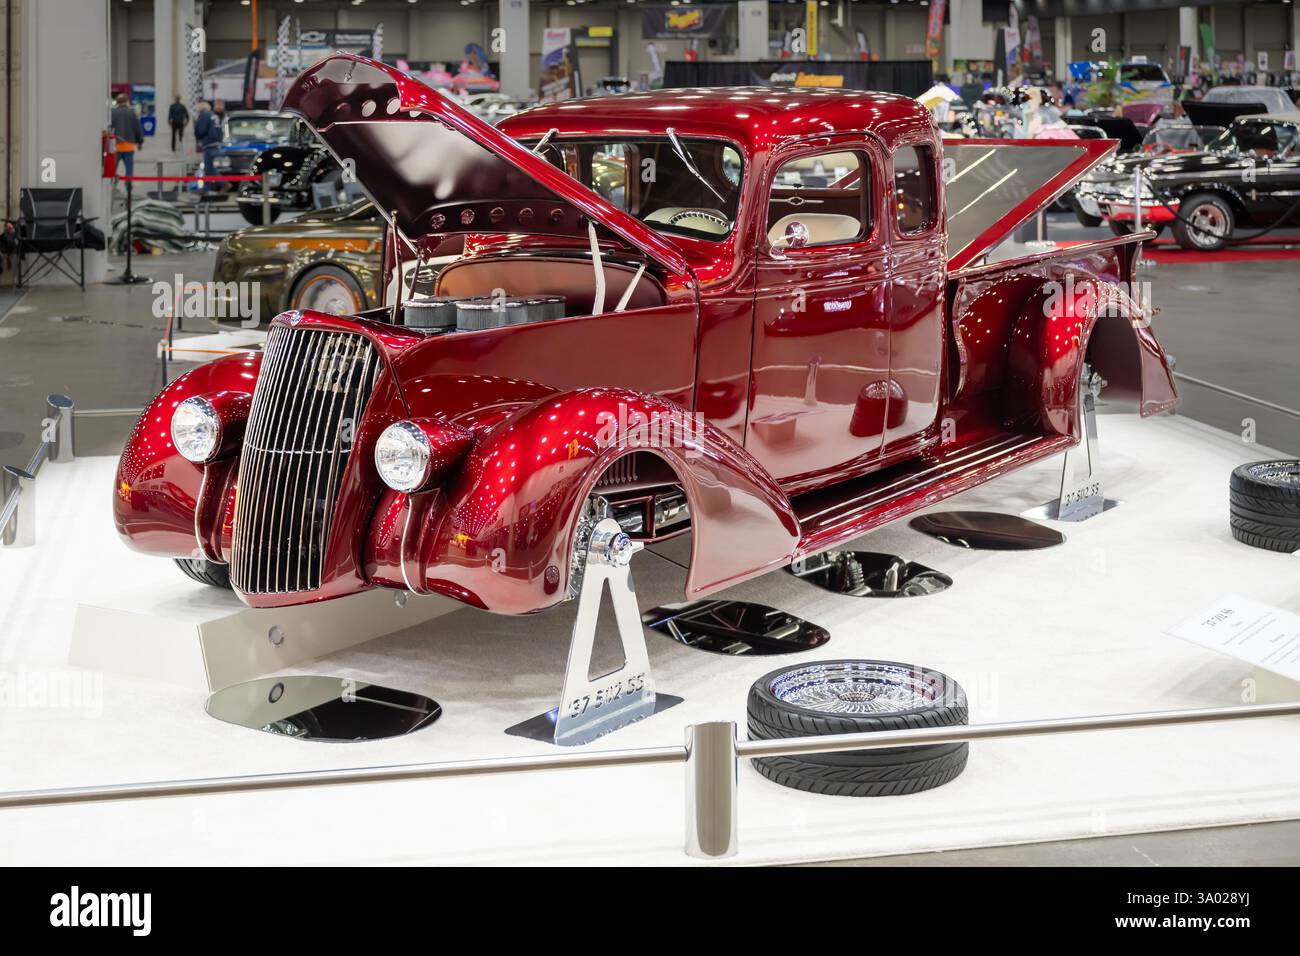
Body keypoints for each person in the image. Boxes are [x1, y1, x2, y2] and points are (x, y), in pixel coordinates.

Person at [109, 92, 144, 179]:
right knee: (129, 168)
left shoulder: (112, 113)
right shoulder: (131, 113)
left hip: (116, 146)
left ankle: (112, 184)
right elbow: (137, 128)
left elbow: (109, 129)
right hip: (129, 146)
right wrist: (140, 141)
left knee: (113, 168)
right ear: (127, 101)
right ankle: (129, 185)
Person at [194, 101, 223, 177]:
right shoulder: (214, 115)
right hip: (217, 143)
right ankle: (210, 185)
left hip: (209, 144)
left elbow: (201, 130)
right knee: (211, 166)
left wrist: (197, 134)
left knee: (208, 167)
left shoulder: (204, 115)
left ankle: (223, 183)